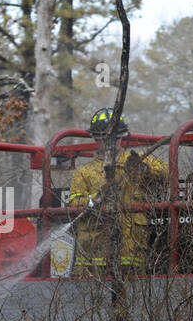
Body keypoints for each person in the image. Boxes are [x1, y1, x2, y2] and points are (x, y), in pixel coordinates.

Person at [67, 108, 169, 274]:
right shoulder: (83, 173)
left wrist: (145, 169)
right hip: (94, 261)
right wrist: (97, 197)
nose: (111, 142)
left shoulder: (137, 160)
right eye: (105, 138)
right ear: (95, 138)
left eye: (116, 137)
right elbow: (74, 205)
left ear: (122, 136)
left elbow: (167, 172)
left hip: (132, 256)